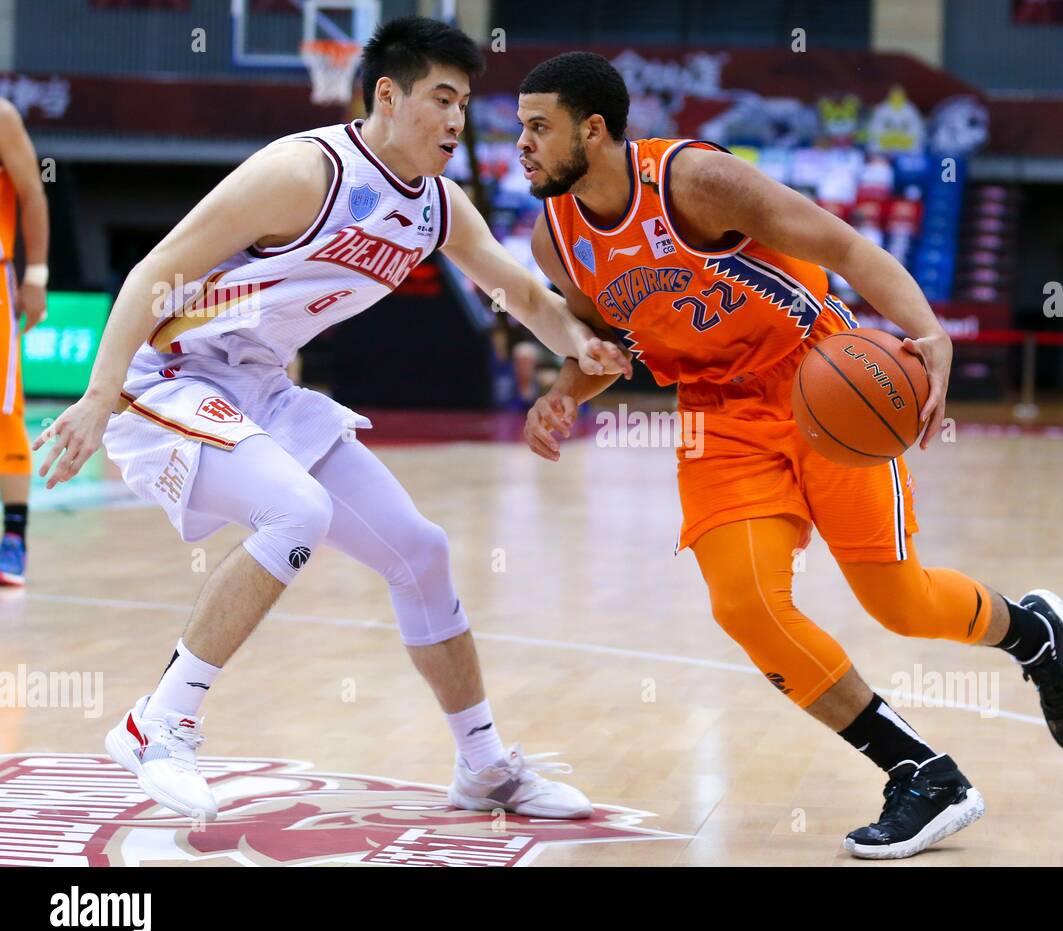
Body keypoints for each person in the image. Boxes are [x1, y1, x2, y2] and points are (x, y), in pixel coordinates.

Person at [34, 19, 630, 824]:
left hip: (260, 385)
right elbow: (154, 270)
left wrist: (583, 344)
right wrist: (99, 395)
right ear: (388, 95)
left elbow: (520, 294)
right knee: (297, 512)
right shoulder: (301, 171)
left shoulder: (439, 208)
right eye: (442, 99)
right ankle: (158, 723)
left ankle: (485, 769)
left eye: (465, 103)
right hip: (167, 374)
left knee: (421, 552)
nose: (458, 121)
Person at [516, 53, 1063, 860]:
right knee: (745, 604)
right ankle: (922, 774)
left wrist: (928, 335)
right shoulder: (556, 242)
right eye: (520, 127)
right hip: (715, 416)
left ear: (593, 130)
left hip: (817, 382)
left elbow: (846, 248)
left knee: (898, 602)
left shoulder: (695, 182)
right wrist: (563, 394)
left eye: (537, 126)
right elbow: (601, 344)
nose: (522, 144)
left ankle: (1032, 633)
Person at [0, 98, 50, 586]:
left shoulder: (2, 117)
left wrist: (35, 276)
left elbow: (33, 194)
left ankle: (13, 536)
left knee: (4, 410)